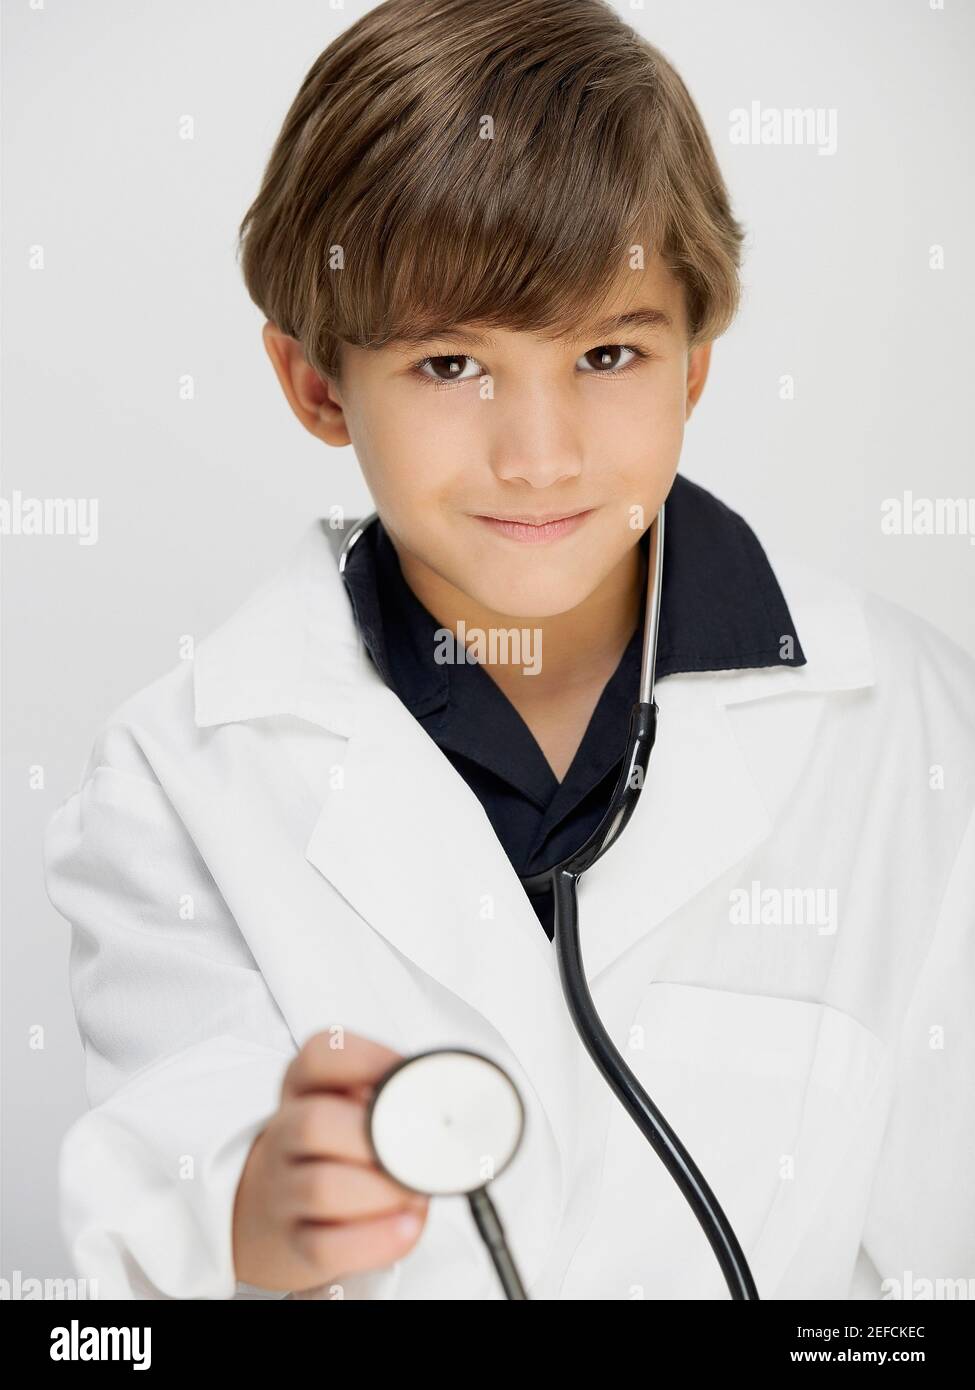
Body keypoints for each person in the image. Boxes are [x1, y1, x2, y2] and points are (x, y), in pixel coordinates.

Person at [43, 0, 975, 1301]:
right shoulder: (183, 772)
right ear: (316, 384)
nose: (540, 453)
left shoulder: (917, 733)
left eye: (607, 352)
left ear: (695, 363)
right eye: (447, 364)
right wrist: (242, 1231)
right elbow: (143, 1268)